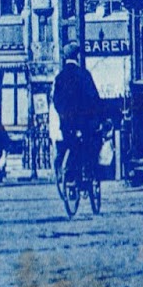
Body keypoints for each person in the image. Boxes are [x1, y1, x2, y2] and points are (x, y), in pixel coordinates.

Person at [52, 43, 103, 183]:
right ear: (77, 56)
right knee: (90, 145)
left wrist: (63, 114)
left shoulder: (60, 77)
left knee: (70, 145)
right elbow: (94, 98)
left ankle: (70, 175)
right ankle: (87, 172)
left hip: (67, 124)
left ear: (65, 57)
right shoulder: (84, 75)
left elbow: (56, 100)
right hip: (84, 122)